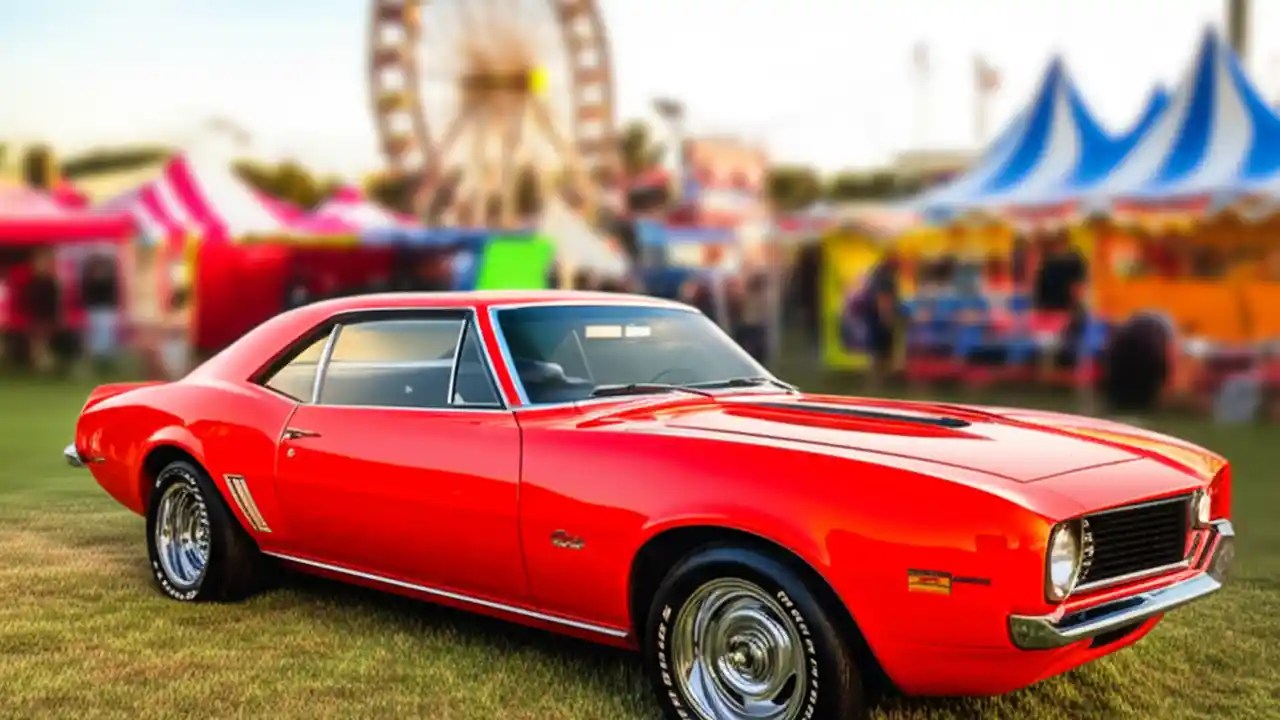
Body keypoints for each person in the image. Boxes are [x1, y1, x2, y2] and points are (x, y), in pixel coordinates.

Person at [858, 251, 902, 388]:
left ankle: (877, 380)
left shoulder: (876, 275)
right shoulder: (886, 278)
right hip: (880, 317)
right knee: (882, 349)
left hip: (872, 316)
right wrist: (887, 317)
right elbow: (883, 299)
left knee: (876, 350)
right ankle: (880, 380)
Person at [79, 253, 121, 373]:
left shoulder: (108, 281)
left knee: (107, 340)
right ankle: (97, 365)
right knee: (95, 340)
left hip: (107, 312)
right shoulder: (91, 282)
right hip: (95, 312)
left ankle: (106, 365)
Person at [23, 250, 61, 374]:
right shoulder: (32, 282)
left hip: (47, 318)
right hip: (35, 318)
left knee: (43, 343)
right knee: (37, 343)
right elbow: (29, 302)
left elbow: (55, 303)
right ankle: (41, 366)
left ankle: (45, 366)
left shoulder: (51, 283)